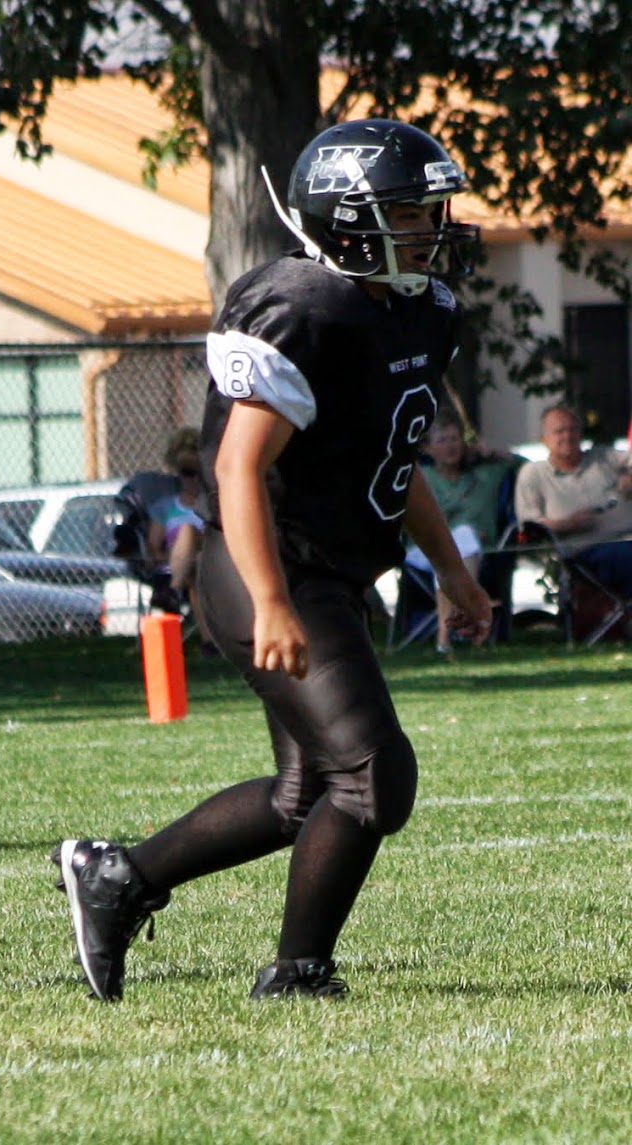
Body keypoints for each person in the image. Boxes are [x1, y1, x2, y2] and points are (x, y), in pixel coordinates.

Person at [54, 118, 492, 1001]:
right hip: (264, 568)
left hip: (322, 571)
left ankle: (117, 878)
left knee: (306, 794)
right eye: (407, 213)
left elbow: (396, 463)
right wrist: (272, 600)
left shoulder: (421, 310)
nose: (430, 228)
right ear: (345, 222)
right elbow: (236, 467)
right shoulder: (305, 307)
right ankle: (297, 973)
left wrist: (452, 572)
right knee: (372, 773)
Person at [404, 414, 516, 652]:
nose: (451, 445)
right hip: (422, 552)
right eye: (442, 440)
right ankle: (459, 620)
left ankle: (444, 637)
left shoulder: (487, 473)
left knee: (461, 539)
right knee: (456, 540)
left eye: (455, 439)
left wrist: (492, 453)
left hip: (483, 556)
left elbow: (525, 464)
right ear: (427, 448)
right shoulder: (420, 480)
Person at [513, 404, 632, 592]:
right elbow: (529, 528)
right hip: (584, 553)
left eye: (572, 429)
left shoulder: (604, 457)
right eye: (559, 431)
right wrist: (569, 524)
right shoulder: (534, 474)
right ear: (543, 439)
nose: (567, 436)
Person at [144, 426, 206, 618]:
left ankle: (173, 591)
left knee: (188, 531)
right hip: (174, 566)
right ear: (179, 474)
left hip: (209, 563)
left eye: (199, 473)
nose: (194, 480)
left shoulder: (214, 505)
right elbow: (153, 549)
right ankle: (176, 587)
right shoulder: (165, 508)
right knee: (191, 573)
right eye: (188, 473)